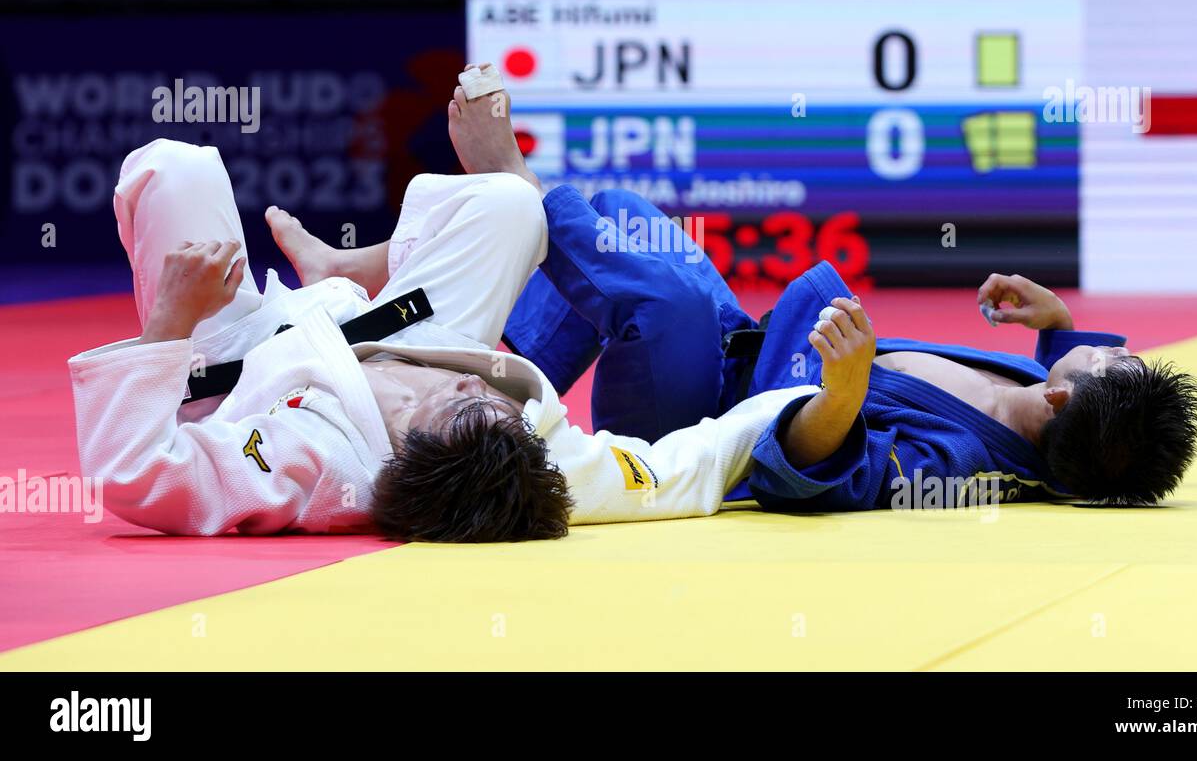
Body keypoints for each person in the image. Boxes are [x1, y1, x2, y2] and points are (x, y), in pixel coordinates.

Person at [68, 70, 870, 541]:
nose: (476, 389)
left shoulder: (315, 469)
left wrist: (170, 324)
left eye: (459, 410)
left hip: (241, 358)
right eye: (491, 404)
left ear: (411, 459)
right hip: (394, 325)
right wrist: (829, 395)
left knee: (176, 166)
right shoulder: (532, 455)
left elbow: (137, 475)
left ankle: (296, 284)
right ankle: (345, 263)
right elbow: (677, 470)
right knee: (509, 209)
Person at [497, 147, 1197, 513]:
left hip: (702, 427)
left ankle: (513, 183)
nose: (1122, 350)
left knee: (663, 301)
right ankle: (504, 392)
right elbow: (1078, 418)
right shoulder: (1042, 406)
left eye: (1117, 365)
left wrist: (842, 394)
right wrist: (1057, 330)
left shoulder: (962, 467)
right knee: (624, 215)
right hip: (745, 350)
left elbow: (817, 479)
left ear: (1062, 401)